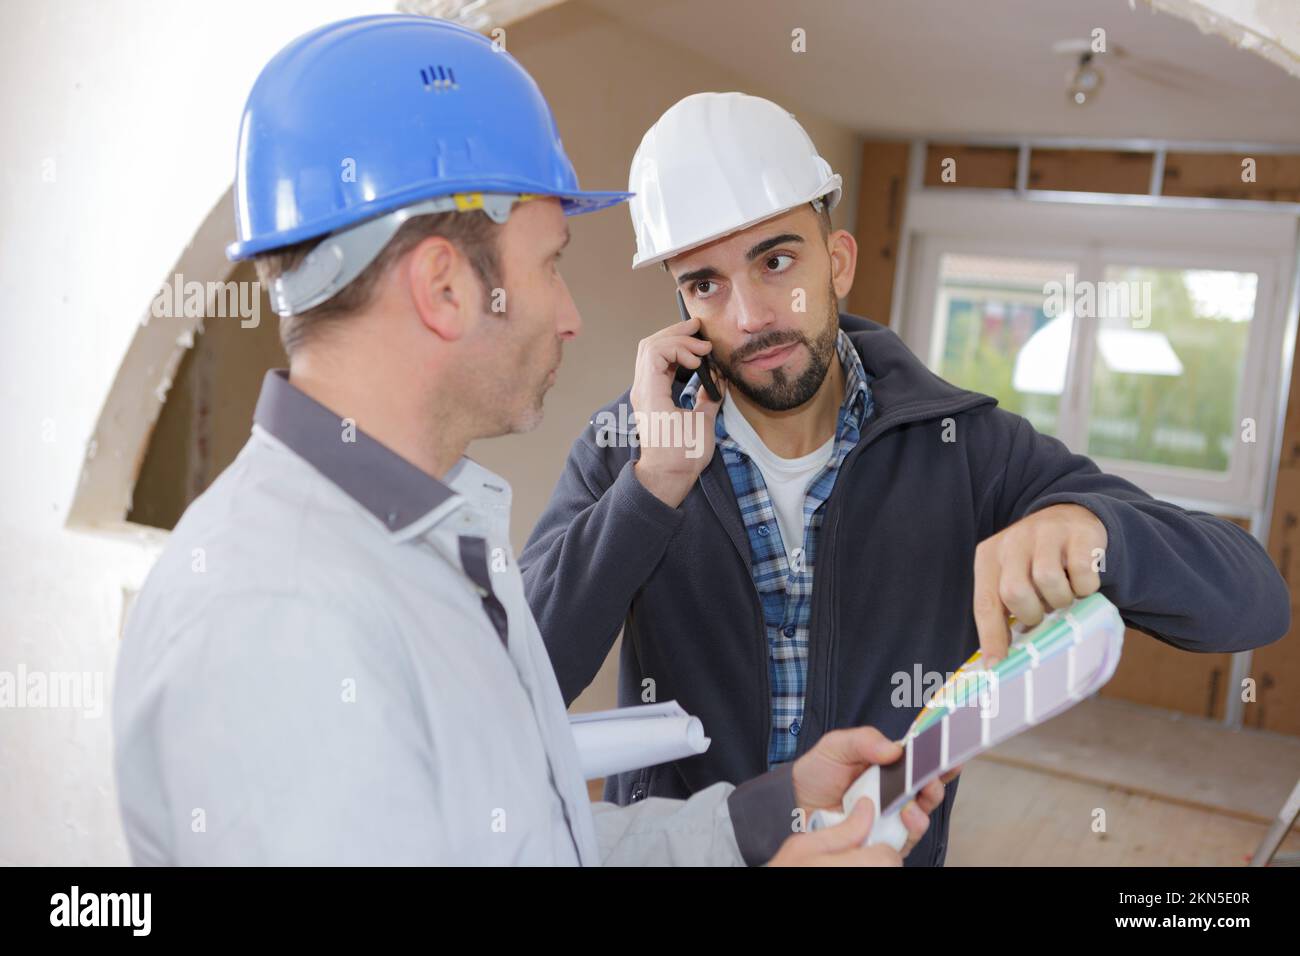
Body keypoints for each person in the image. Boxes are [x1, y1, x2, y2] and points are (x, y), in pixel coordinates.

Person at [111, 18, 941, 866]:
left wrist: (762, 821)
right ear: (444, 288)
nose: (571, 316)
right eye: (551, 263)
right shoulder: (277, 617)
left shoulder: (420, 542)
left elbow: (531, 841)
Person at [519, 92, 1291, 866]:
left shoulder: (967, 449)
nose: (750, 315)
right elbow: (515, 684)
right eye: (705, 284)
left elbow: (1253, 600)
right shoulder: (628, 451)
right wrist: (650, 490)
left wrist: (1097, 530)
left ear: (839, 262)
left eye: (776, 262)